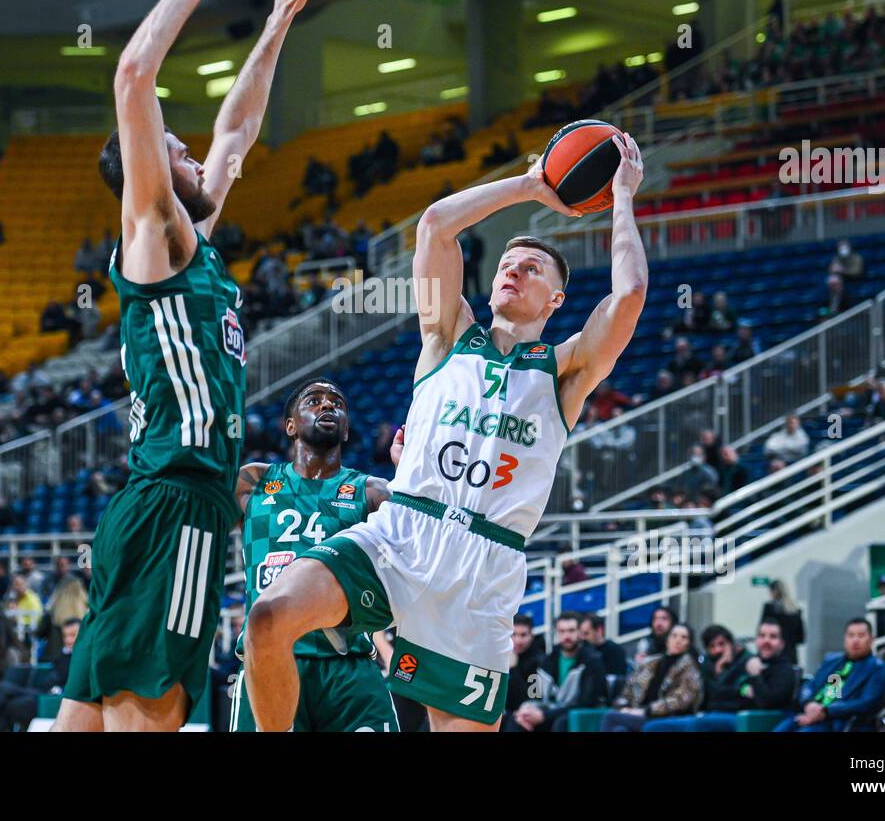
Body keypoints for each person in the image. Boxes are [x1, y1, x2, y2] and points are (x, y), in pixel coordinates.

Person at [243, 133, 648, 730]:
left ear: (556, 298)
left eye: (530, 268)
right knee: (268, 618)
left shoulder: (564, 371)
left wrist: (621, 199)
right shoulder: (448, 335)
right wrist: (532, 186)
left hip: (483, 567)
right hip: (404, 531)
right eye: (507, 264)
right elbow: (434, 225)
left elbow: (631, 293)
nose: (513, 271)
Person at [55, 0, 318, 734]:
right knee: (151, 713)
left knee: (87, 718)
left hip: (156, 500)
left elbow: (236, 133)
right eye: (176, 149)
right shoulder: (154, 238)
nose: (196, 155)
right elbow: (135, 73)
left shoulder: (192, 245)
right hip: (177, 505)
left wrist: (276, 22)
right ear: (149, 176)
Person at [228, 379, 399, 732]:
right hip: (271, 664)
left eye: (337, 403)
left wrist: (409, 473)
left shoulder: (372, 492)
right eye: (314, 400)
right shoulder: (253, 481)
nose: (327, 406)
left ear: (347, 429)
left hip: (348, 664)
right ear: (290, 425)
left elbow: (422, 552)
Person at [644, 620, 796, 732]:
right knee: (654, 727)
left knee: (698, 725)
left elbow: (767, 702)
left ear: (782, 643)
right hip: (716, 713)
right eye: (762, 636)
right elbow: (720, 693)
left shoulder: (784, 670)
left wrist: (755, 677)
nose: (766, 641)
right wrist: (742, 689)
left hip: (746, 719)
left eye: (773, 637)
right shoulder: (749, 662)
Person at [774, 618, 885, 732]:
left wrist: (826, 711)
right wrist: (808, 703)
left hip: (838, 721)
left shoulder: (876, 667)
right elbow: (810, 685)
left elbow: (867, 703)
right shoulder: (832, 660)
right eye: (851, 635)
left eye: (861, 635)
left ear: (872, 639)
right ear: (844, 638)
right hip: (809, 713)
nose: (855, 640)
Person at [510, 612, 606, 732]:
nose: (566, 636)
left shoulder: (593, 661)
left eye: (571, 630)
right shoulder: (546, 660)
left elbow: (586, 703)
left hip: (573, 717)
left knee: (561, 723)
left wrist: (544, 716)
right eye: (562, 631)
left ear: (580, 633)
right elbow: (533, 694)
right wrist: (526, 710)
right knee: (515, 720)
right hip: (548, 713)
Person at [601, 623, 702, 731]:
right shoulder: (650, 663)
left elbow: (680, 700)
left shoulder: (690, 668)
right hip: (639, 713)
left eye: (684, 637)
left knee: (610, 717)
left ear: (689, 643)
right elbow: (629, 689)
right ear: (667, 639)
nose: (678, 640)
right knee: (620, 730)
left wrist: (647, 710)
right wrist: (624, 707)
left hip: (666, 717)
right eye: (674, 635)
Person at [504, 614, 547, 725]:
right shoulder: (501, 654)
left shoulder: (539, 661)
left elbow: (532, 698)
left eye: (523, 635)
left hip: (527, 714)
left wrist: (513, 669)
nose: (518, 640)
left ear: (531, 636)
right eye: (514, 634)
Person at [759, 580, 805, 663]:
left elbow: (762, 632)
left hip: (773, 657)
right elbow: (801, 639)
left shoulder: (769, 608)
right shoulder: (796, 611)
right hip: (791, 658)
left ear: (774, 592)